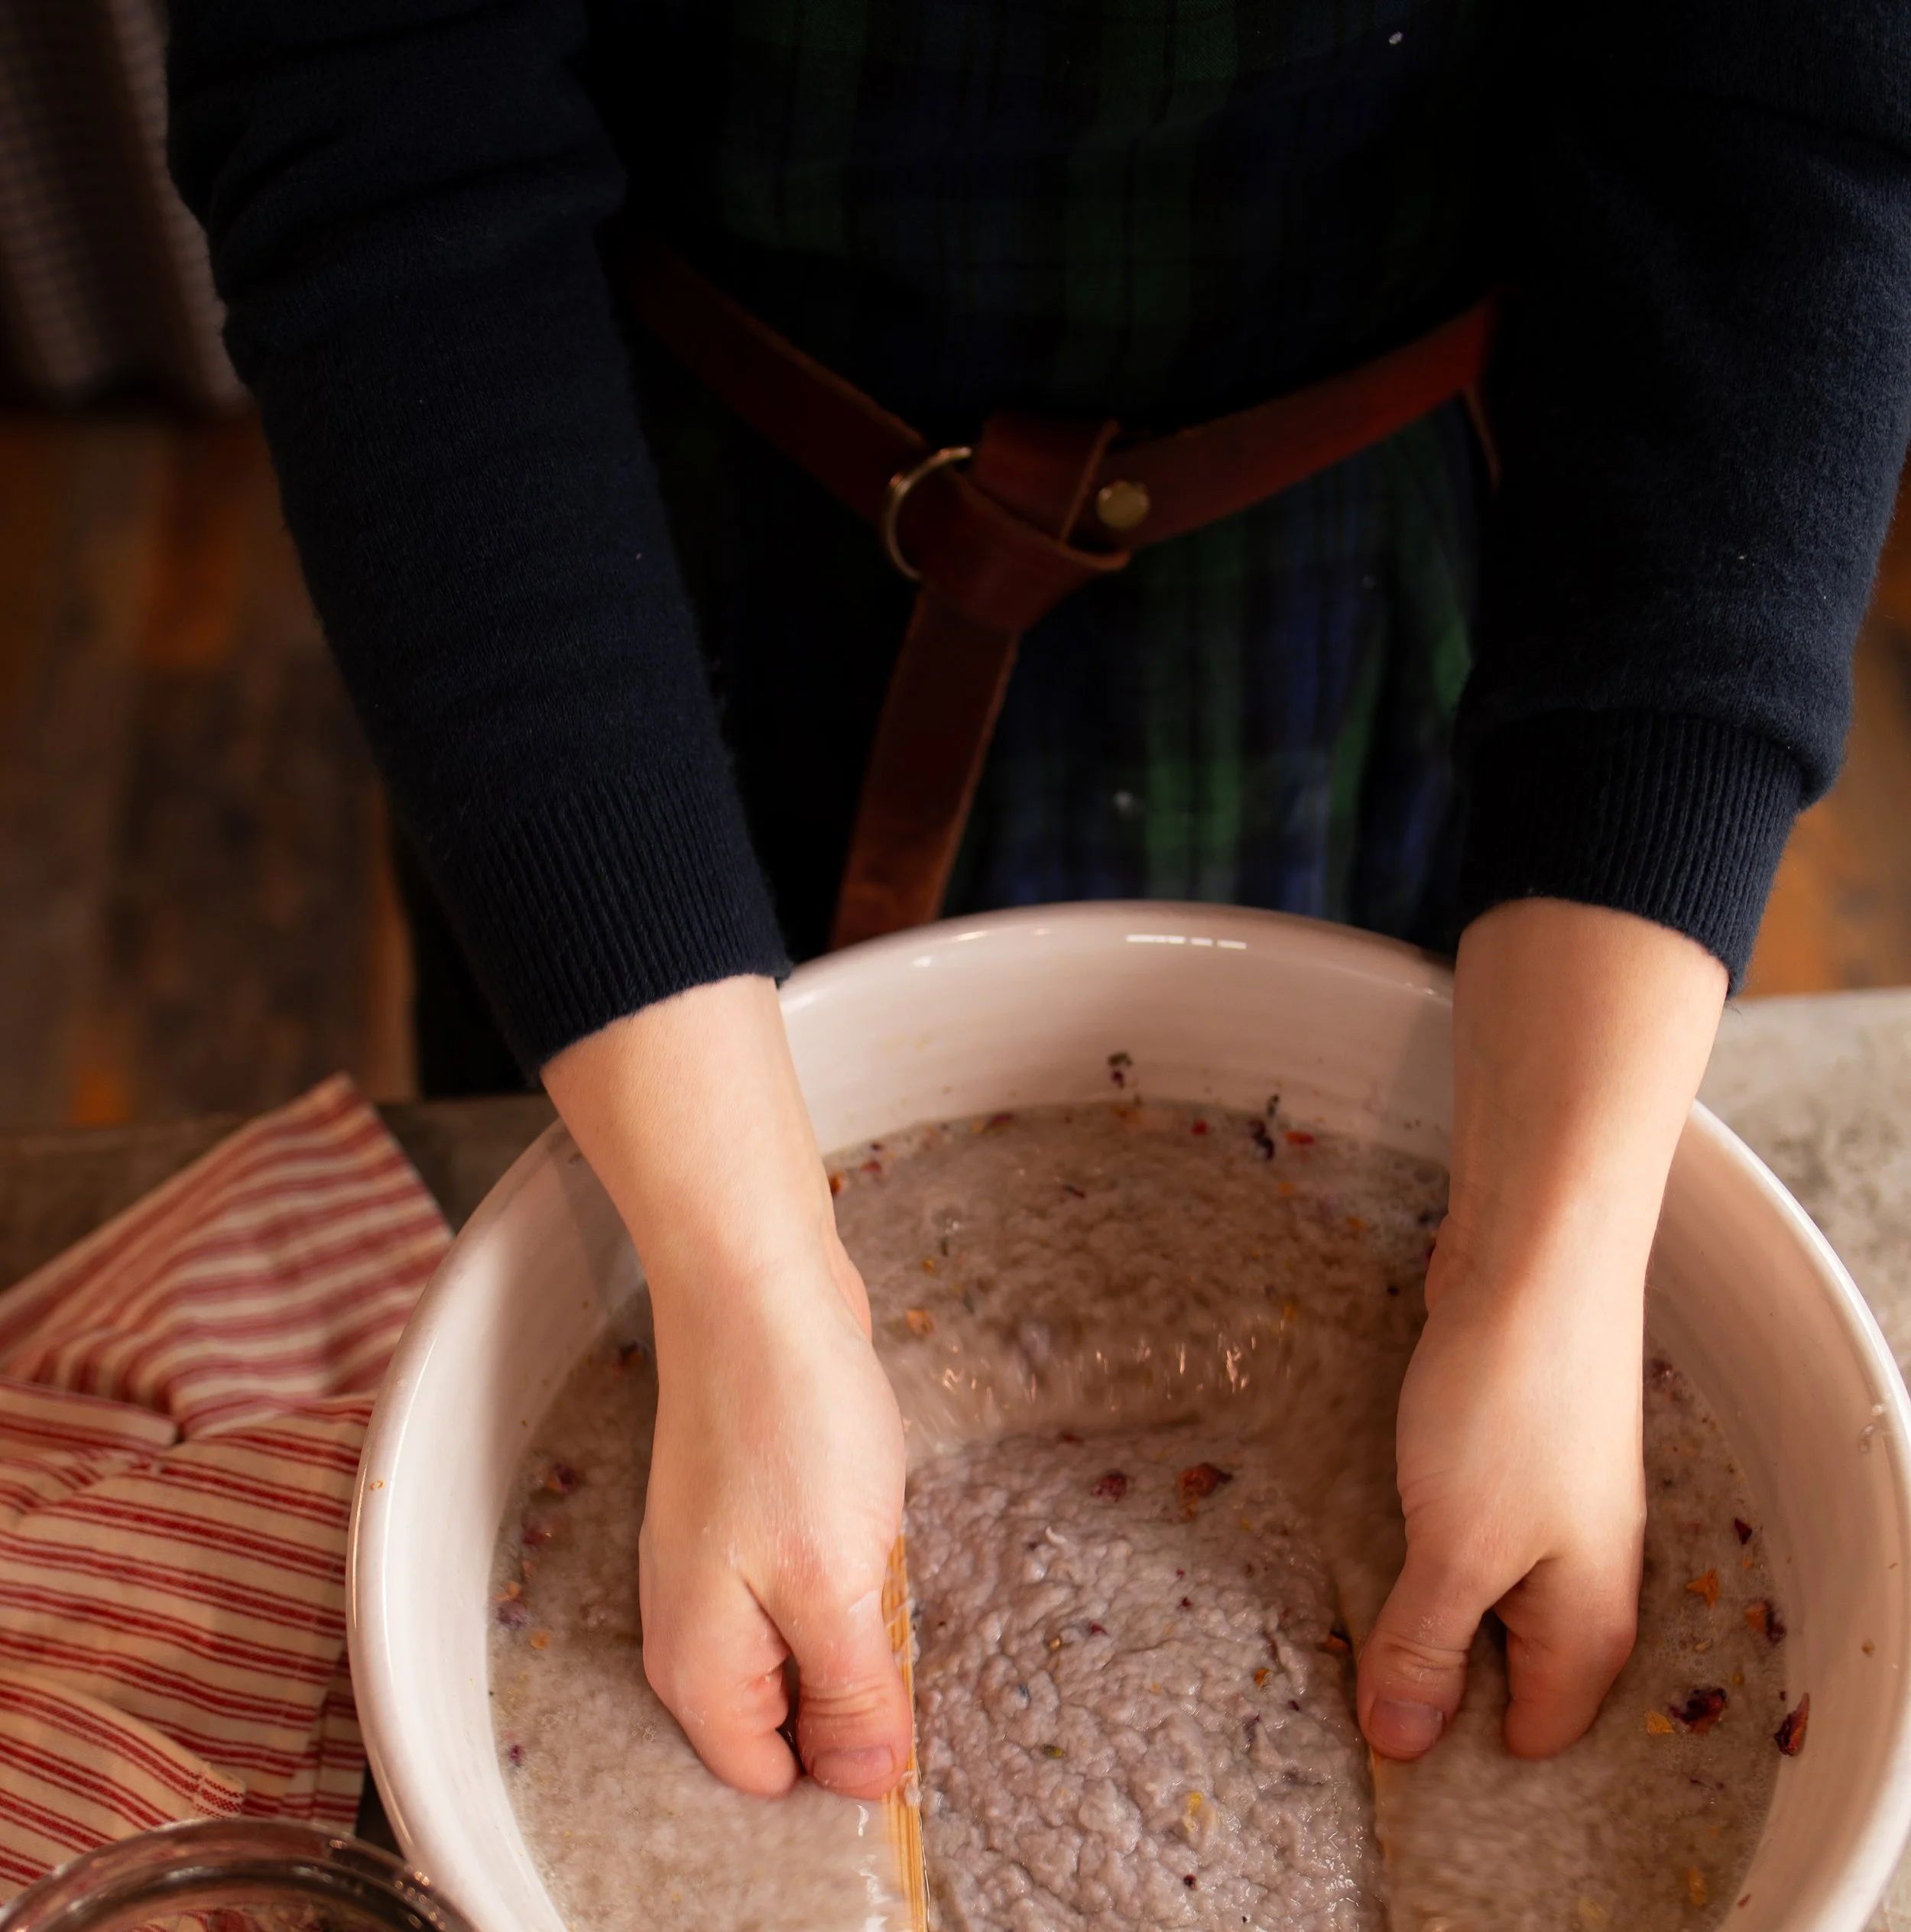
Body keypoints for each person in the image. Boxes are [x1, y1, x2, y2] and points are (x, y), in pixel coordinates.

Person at [168, 3, 1911, 1806]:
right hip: (631, 613)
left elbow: (1766, 151)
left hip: (1365, 596)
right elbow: (384, 148)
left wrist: (1538, 1258)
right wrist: (745, 1274)